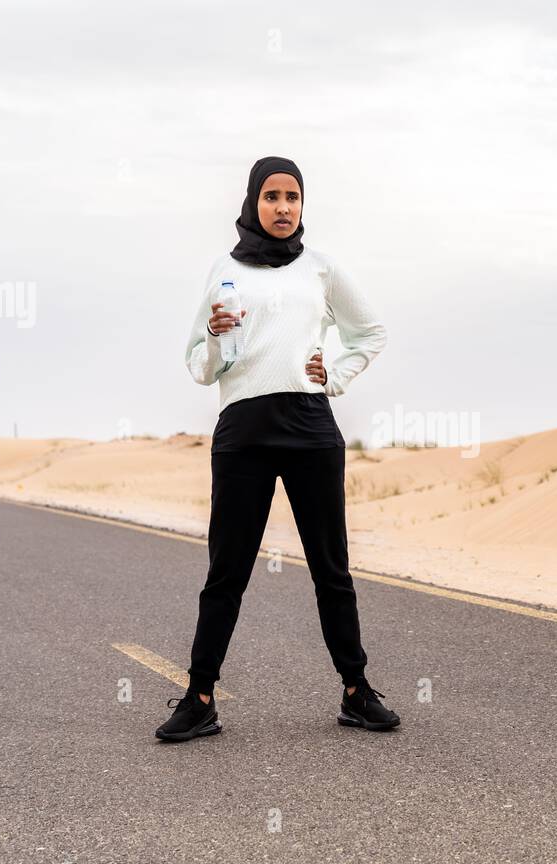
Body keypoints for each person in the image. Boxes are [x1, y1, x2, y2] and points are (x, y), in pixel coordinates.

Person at [156, 155, 400, 742]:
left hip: (311, 428)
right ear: (252, 202)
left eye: (292, 197)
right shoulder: (224, 270)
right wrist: (215, 339)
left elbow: (371, 332)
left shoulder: (321, 269)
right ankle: (199, 696)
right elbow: (199, 365)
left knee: (331, 568)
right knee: (227, 571)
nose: (283, 208)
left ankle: (356, 690)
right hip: (242, 433)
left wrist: (333, 375)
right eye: (272, 197)